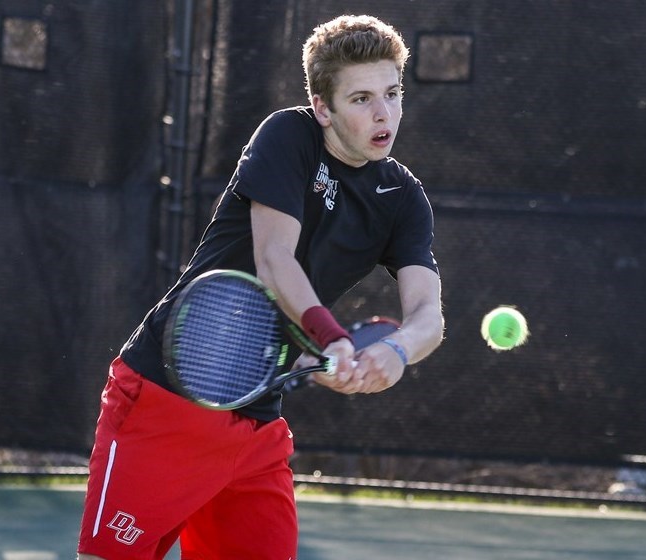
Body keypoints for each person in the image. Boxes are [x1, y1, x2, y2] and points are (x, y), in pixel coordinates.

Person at [77, 14, 444, 560]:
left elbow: (429, 315)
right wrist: (329, 337)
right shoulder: (288, 136)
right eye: (362, 98)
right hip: (166, 398)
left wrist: (397, 349)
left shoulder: (402, 198)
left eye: (392, 94)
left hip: (256, 422)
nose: (384, 113)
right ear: (324, 108)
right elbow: (275, 261)